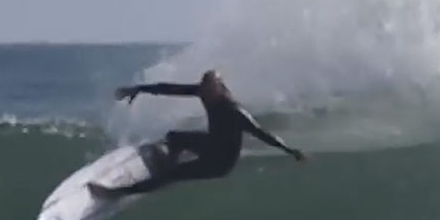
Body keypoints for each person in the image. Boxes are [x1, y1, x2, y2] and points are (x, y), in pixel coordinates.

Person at [88, 70, 305, 199]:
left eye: (209, 91)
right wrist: (138, 89)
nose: (204, 95)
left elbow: (262, 133)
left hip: (221, 162)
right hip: (211, 143)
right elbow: (169, 88)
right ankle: (170, 162)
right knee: (174, 136)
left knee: (170, 176)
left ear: (219, 89)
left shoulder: (234, 111)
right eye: (203, 89)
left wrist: (291, 151)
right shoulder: (203, 91)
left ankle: (115, 193)